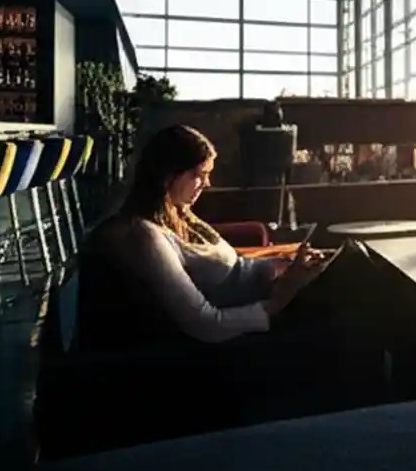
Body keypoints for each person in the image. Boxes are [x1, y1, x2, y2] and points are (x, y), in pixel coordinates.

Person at [94, 124, 328, 344]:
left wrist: (283, 265)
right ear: (168, 175)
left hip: (276, 286)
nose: (207, 184)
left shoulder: (177, 214)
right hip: (273, 313)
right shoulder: (147, 238)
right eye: (199, 174)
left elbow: (229, 267)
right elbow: (205, 322)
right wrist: (281, 298)